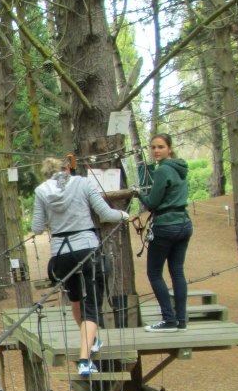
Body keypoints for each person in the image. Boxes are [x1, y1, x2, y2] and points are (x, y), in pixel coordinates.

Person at [32, 156, 130, 376]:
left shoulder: (41, 191)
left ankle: (92, 341)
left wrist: (54, 221)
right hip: (87, 249)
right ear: (66, 170)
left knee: (75, 298)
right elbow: (105, 214)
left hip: (61, 254)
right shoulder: (84, 183)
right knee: (92, 305)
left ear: (46, 174)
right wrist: (124, 215)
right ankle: (85, 360)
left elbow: (36, 227)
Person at [139, 133, 192, 332]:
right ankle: (181, 321)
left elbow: (152, 203)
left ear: (169, 148)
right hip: (184, 224)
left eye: (160, 147)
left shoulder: (163, 170)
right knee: (177, 272)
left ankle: (169, 320)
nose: (155, 151)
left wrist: (139, 193)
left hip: (166, 226)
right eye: (152, 147)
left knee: (154, 273)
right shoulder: (181, 168)